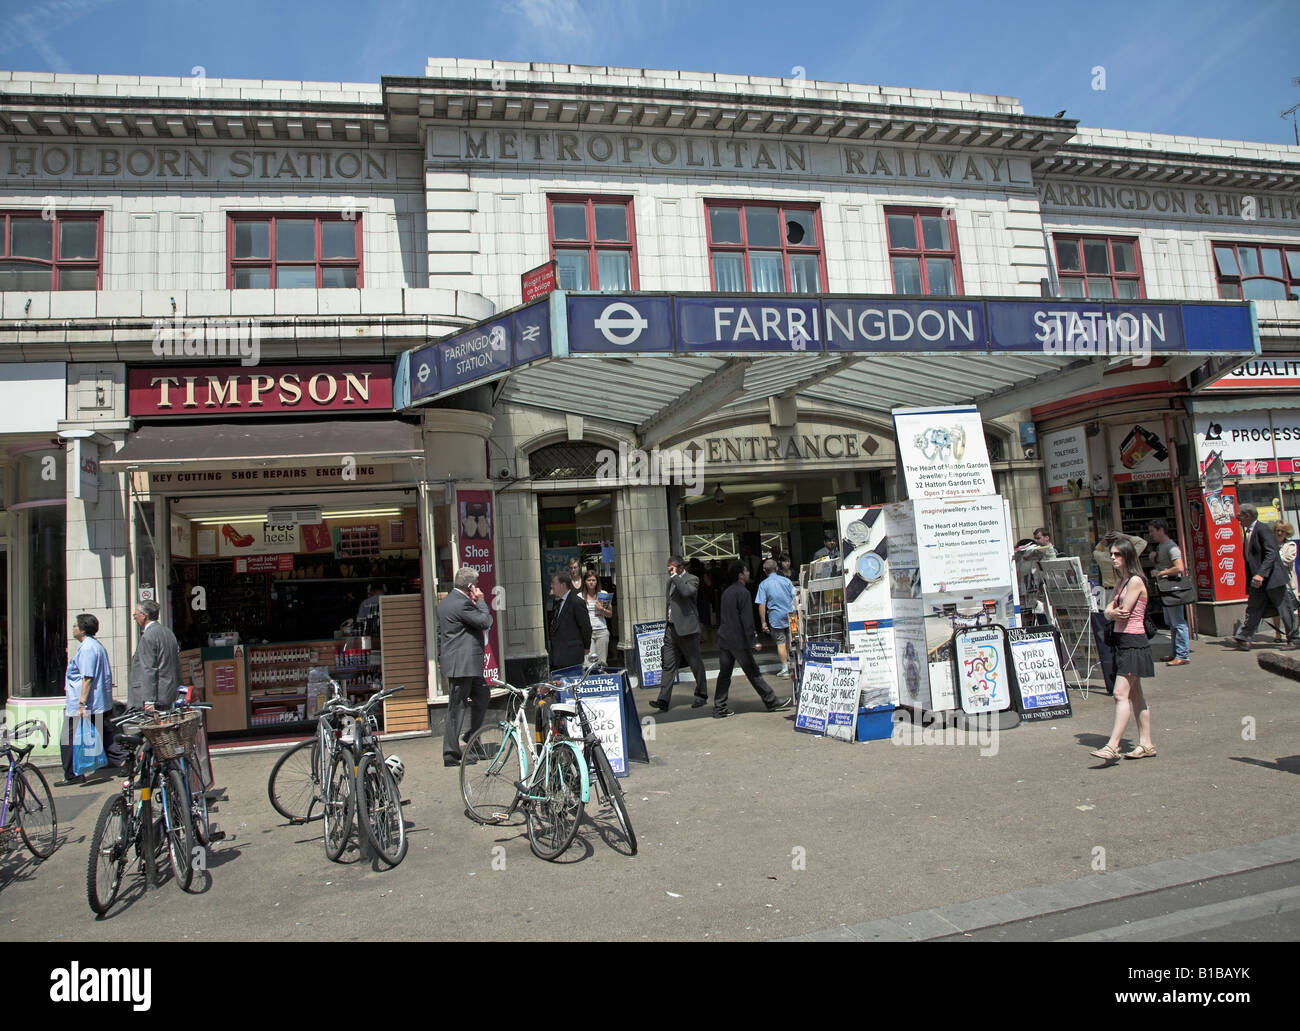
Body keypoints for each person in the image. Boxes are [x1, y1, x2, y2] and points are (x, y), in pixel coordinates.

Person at [1090, 538, 1157, 761]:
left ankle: (1113, 745)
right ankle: (1146, 744)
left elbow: (1123, 611)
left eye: (1117, 554)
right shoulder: (1122, 582)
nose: (1113, 558)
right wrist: (1111, 612)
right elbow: (1109, 610)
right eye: (1112, 554)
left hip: (1134, 642)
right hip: (1122, 641)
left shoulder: (1136, 581)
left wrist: (1112, 611)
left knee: (1120, 693)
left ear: (1128, 556)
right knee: (1136, 695)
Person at [713, 563, 793, 718]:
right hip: (738, 641)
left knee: (724, 674)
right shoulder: (743, 592)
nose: (748, 572)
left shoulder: (727, 592)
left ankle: (719, 707)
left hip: (725, 639)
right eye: (746, 570)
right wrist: (753, 639)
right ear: (740, 575)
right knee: (753, 672)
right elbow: (747, 620)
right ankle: (771, 700)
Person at [59, 613, 126, 786]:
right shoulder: (96, 646)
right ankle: (125, 760)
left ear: (82, 629)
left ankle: (72, 774)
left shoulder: (88, 648)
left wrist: (81, 704)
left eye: (75, 625)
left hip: (84, 703)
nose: (72, 628)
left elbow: (87, 677)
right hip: (98, 702)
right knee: (104, 735)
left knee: (67, 738)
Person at [438, 567, 493, 767]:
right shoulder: (462, 604)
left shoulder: (446, 602)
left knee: (483, 695)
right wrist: (481, 601)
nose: (477, 587)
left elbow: (439, 634)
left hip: (463, 663)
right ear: (469, 586)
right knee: (457, 708)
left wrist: (441, 658)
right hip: (462, 665)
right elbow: (485, 621)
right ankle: (451, 754)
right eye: (476, 584)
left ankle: (472, 737)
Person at [649, 555, 709, 711]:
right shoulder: (670, 581)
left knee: (695, 663)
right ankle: (663, 699)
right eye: (668, 568)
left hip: (688, 630)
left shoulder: (692, 579)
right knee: (668, 665)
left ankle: (701, 694)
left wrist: (675, 576)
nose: (669, 571)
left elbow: (686, 592)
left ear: (681, 567)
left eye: (672, 568)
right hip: (671, 629)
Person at [1232, 504, 1296, 650]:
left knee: (1284, 608)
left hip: (1271, 578)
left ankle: (1294, 638)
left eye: (1239, 516)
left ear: (1247, 516)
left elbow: (1271, 553)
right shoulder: (1249, 530)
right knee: (1254, 607)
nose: (1238, 519)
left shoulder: (1262, 529)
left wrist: (1261, 574)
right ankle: (1244, 636)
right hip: (1258, 580)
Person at [1149, 519, 1190, 666]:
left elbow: (1180, 568)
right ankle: (1176, 653)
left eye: (1153, 531)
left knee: (1178, 622)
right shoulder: (1161, 547)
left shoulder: (1171, 546)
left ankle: (1182, 654)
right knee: (1171, 622)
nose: (1151, 534)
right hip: (1166, 589)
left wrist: (1161, 572)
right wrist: (1155, 561)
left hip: (1173, 590)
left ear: (1161, 530)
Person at [129, 599, 182, 710]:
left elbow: (148, 668)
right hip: (170, 693)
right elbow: (176, 664)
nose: (135, 618)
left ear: (144, 615)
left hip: (156, 696)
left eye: (136, 615)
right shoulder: (168, 633)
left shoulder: (148, 636)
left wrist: (149, 700)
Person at [755, 558, 796, 677]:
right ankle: (794, 664)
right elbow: (795, 596)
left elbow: (761, 604)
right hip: (791, 614)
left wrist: (763, 622)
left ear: (764, 570)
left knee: (780, 642)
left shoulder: (763, 585)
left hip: (775, 616)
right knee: (792, 639)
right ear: (777, 568)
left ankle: (785, 669)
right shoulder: (786, 581)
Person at [548, 570, 592, 671]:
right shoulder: (558, 602)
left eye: (554, 583)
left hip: (571, 654)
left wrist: (586, 647)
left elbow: (585, 627)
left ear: (563, 585)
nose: (551, 586)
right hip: (559, 655)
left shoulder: (576, 602)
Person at [580, 569, 613, 664]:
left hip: (602, 631)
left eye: (593, 580)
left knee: (601, 662)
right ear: (585, 582)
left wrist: (601, 609)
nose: (591, 582)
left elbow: (610, 614)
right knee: (588, 663)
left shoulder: (603, 594)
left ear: (597, 582)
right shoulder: (580, 596)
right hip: (588, 633)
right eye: (589, 580)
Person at [1273, 522, 1299, 645]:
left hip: (1288, 581)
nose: (1279, 533)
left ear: (1286, 532)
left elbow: (1287, 560)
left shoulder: (1291, 545)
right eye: (1277, 530)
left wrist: (1271, 559)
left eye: (1282, 531)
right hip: (1274, 580)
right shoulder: (1271, 545)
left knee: (1290, 609)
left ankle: (1293, 634)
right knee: (1276, 609)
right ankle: (1277, 633)